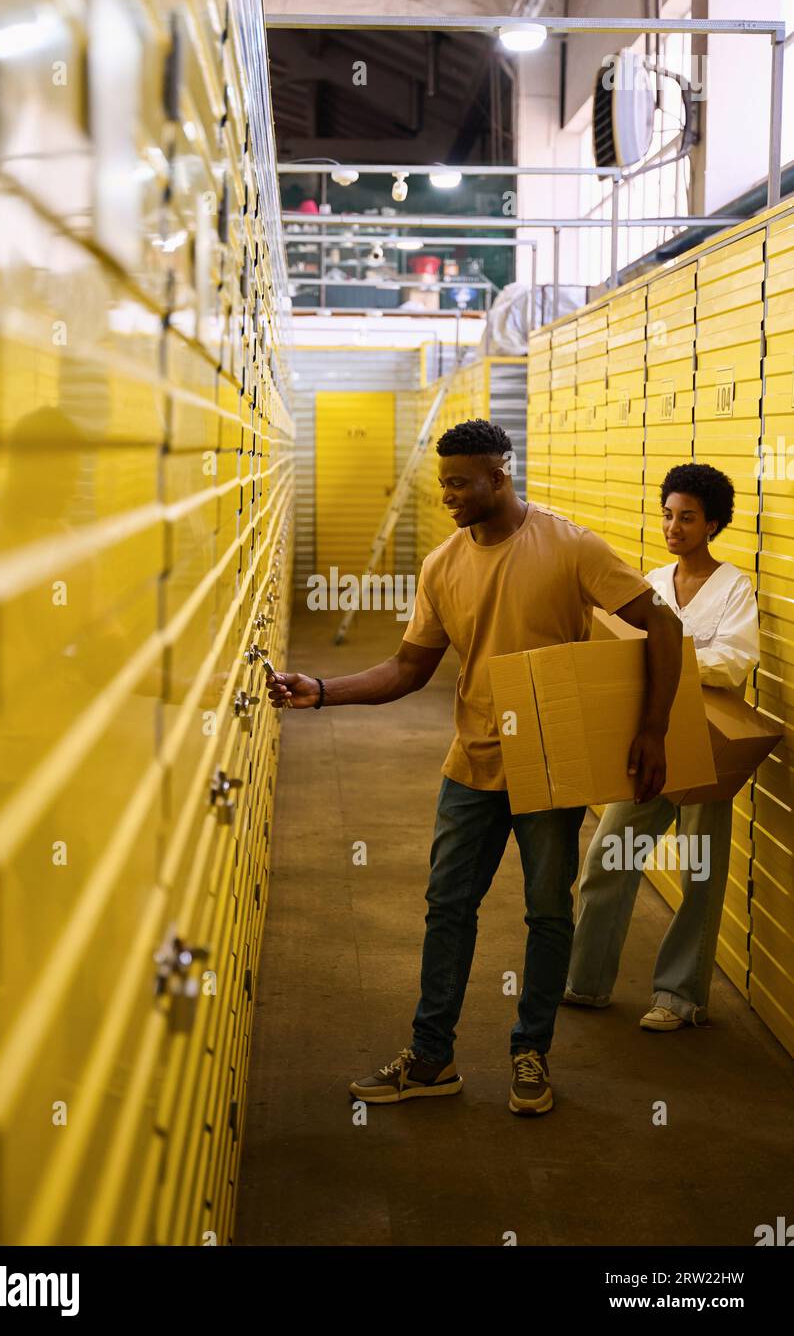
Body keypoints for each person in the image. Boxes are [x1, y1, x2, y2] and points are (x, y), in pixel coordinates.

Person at [265, 420, 683, 1115]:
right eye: (445, 481)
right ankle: (432, 1059)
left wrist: (653, 730)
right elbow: (408, 668)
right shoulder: (442, 565)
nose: (449, 494)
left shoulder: (568, 545)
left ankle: (531, 1052)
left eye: (462, 482)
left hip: (549, 764)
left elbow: (660, 623)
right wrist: (323, 691)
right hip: (471, 763)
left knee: (547, 911)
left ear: (500, 474)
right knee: (448, 909)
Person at [564, 463, 760, 1031]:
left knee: (698, 872)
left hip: (708, 744)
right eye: (669, 515)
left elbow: (736, 660)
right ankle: (586, 981)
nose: (674, 527)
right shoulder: (650, 582)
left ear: (713, 523)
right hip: (651, 742)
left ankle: (679, 997)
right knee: (608, 856)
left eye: (688, 518)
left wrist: (670, 657)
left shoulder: (733, 587)